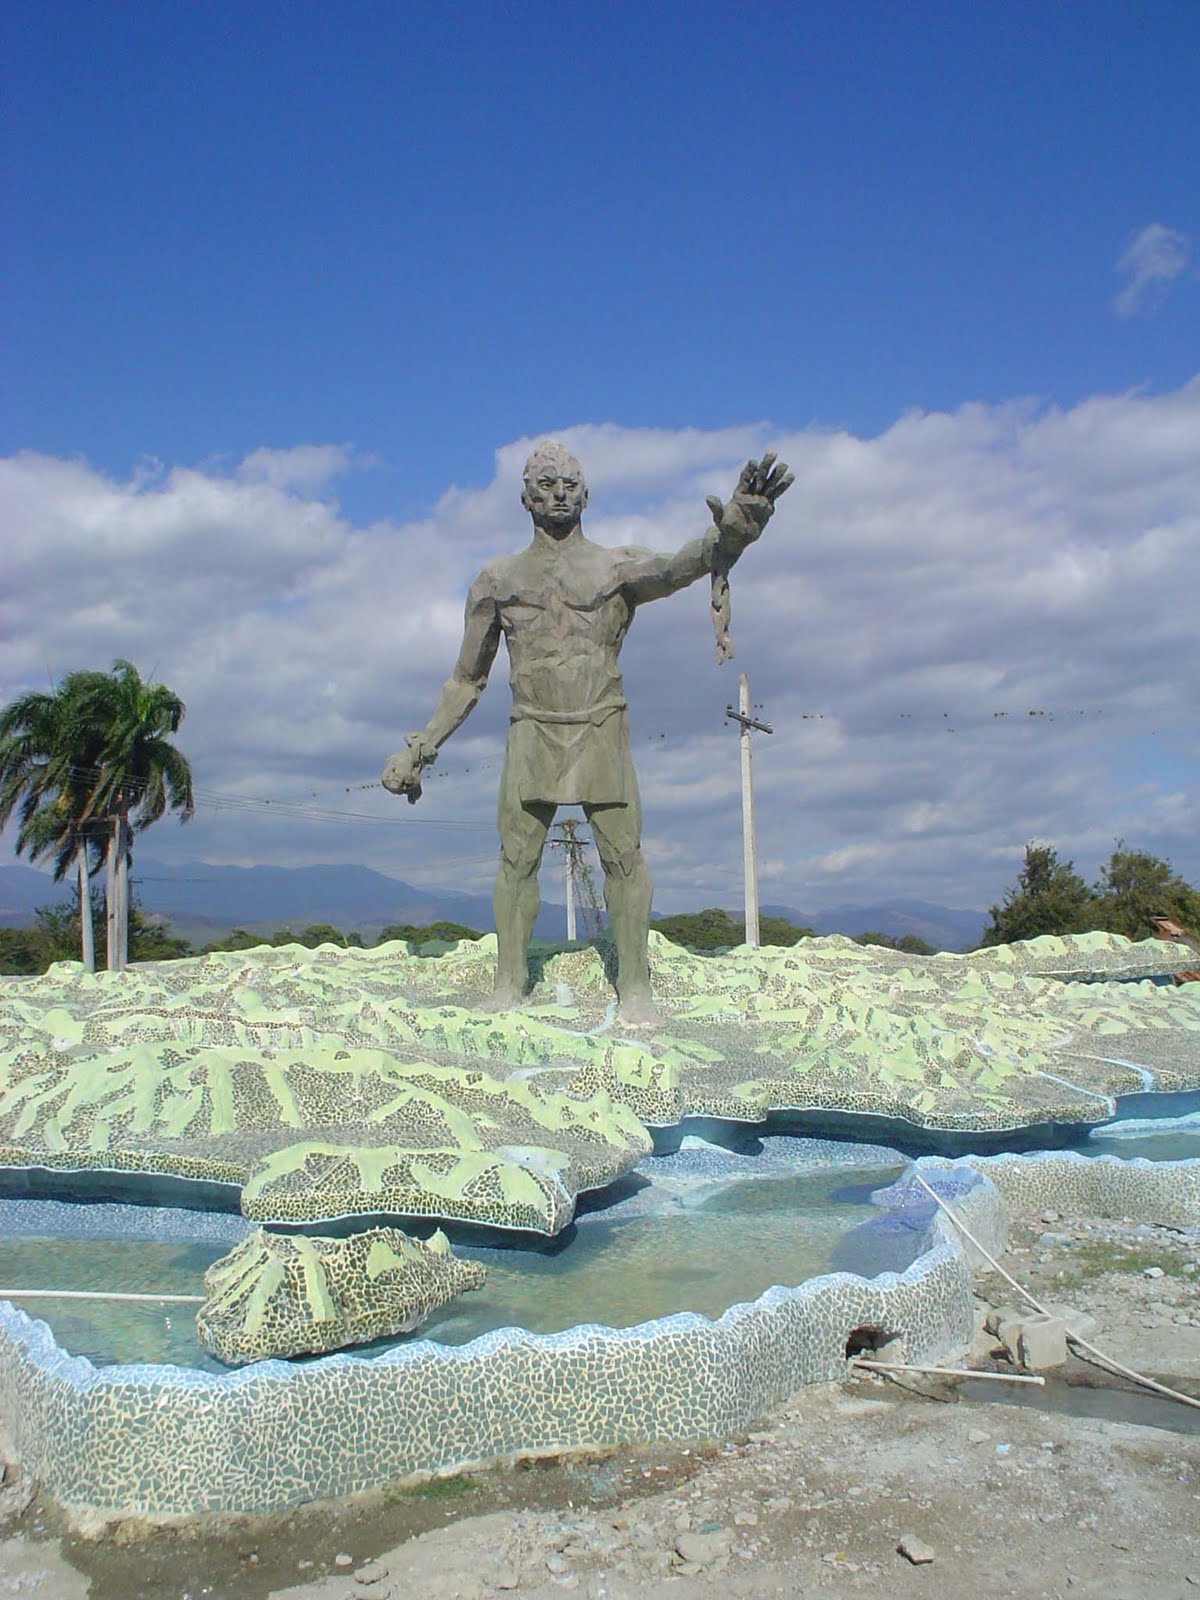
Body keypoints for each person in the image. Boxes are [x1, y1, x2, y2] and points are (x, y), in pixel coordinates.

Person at [383, 440, 792, 1024]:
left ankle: (635, 987)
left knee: (624, 859)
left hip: (601, 722)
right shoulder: (495, 581)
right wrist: (420, 747)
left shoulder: (616, 567)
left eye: (568, 485)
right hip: (532, 730)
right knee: (516, 861)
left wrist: (733, 537)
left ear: (587, 494)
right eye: (545, 485)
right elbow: (465, 680)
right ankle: (510, 980)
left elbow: (680, 565)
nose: (557, 495)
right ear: (525, 497)